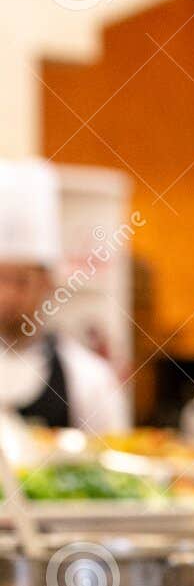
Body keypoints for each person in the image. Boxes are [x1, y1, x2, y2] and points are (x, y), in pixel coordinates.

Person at [0, 159, 129, 434]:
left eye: (20, 281)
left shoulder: (88, 377)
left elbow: (112, 452)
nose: (5, 295)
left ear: (47, 282)